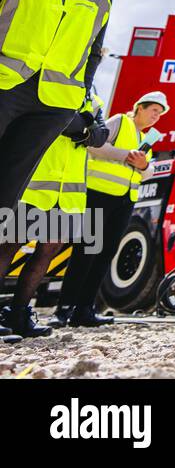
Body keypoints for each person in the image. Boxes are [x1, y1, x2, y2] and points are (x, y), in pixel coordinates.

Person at [0, 0, 115, 212]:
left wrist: (77, 99)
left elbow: (93, 51)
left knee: (6, 193)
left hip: (53, 104)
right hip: (5, 82)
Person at [52, 91, 164, 328]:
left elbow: (147, 171)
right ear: (140, 107)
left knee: (105, 254)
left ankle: (85, 309)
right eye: (154, 110)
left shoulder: (146, 140)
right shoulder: (119, 122)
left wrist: (144, 165)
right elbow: (95, 146)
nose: (157, 116)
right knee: (86, 251)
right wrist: (126, 156)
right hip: (98, 195)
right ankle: (64, 308)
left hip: (124, 201)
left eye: (160, 113)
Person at [0, 96, 101, 340]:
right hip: (34, 186)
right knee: (8, 247)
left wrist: (84, 127)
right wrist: (84, 125)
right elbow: (65, 122)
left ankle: (19, 314)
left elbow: (100, 137)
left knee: (48, 251)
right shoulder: (51, 93)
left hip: (65, 194)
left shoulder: (92, 101)